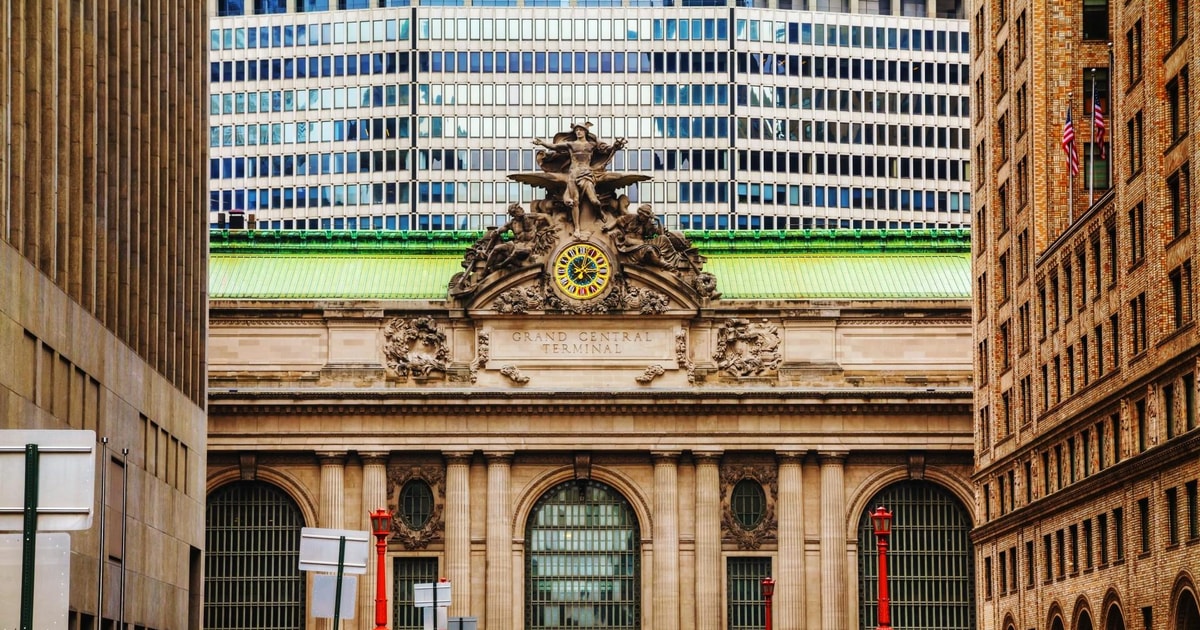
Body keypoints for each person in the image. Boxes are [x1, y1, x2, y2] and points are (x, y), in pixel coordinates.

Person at [533, 123, 626, 233]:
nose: (578, 132)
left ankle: (600, 212)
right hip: (573, 174)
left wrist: (616, 146)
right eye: (576, 130)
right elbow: (555, 147)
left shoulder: (592, 144)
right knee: (575, 201)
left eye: (580, 130)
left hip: (586, 174)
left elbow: (607, 150)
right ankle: (577, 228)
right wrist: (542, 143)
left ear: (585, 132)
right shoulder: (571, 144)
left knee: (594, 201)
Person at [485, 203, 553, 270]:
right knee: (497, 248)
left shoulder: (530, 217)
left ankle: (501, 265)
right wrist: (495, 232)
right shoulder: (512, 223)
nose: (522, 209)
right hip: (516, 245)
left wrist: (552, 226)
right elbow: (500, 230)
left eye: (520, 207)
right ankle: (485, 271)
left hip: (530, 245)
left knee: (517, 252)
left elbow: (546, 216)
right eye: (519, 208)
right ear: (514, 213)